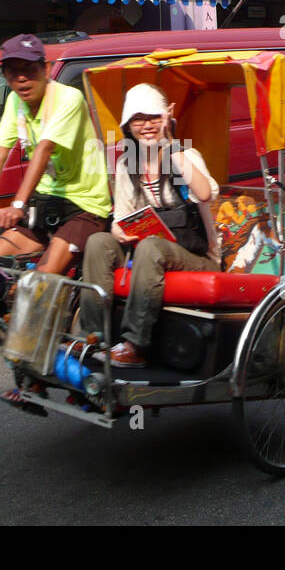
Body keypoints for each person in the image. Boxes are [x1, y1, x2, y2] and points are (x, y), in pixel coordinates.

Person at [0, 33, 110, 275]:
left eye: (29, 69)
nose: (22, 79)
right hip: (46, 204)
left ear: (47, 69)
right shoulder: (15, 102)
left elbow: (44, 148)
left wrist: (17, 204)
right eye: (12, 71)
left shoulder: (68, 98)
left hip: (84, 206)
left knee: (36, 286)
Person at [79, 84, 220, 368]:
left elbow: (205, 193)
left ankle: (135, 344)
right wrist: (119, 230)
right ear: (128, 126)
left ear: (166, 119)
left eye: (154, 117)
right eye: (138, 119)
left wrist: (170, 143)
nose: (147, 125)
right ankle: (94, 337)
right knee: (98, 242)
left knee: (151, 247)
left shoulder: (184, 156)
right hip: (149, 253)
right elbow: (120, 219)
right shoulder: (126, 166)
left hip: (198, 258)